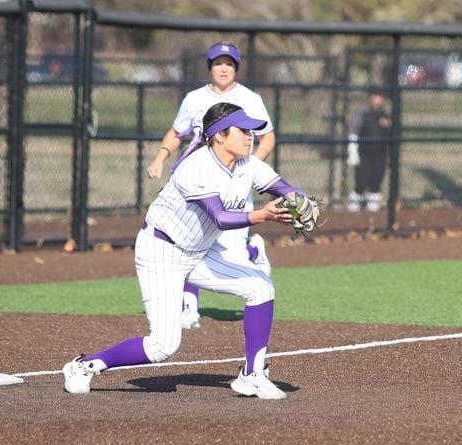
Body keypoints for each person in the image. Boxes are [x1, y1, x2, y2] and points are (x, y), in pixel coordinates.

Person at [63, 102, 312, 400]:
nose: (250, 136)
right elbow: (219, 217)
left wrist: (300, 199)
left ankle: (252, 375)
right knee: (162, 346)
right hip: (161, 250)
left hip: (199, 251)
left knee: (260, 287)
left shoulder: (247, 165)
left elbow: (285, 189)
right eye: (243, 130)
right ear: (219, 135)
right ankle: (85, 366)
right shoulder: (197, 167)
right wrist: (262, 215)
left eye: (251, 131)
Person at [147, 42, 276, 329]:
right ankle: (189, 308)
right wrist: (159, 158)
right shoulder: (194, 98)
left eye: (229, 63)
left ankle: (252, 250)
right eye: (218, 63)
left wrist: (250, 166)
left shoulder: (250, 98)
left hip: (233, 186)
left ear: (236, 68)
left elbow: (268, 137)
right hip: (199, 186)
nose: (223, 68)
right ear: (210, 67)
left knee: (232, 255)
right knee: (188, 242)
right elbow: (177, 132)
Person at [346, 92, 392, 212]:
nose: (377, 99)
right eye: (375, 96)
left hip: (381, 153)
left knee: (376, 180)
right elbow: (353, 131)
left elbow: (391, 133)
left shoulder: (386, 114)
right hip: (364, 152)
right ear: (370, 98)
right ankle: (354, 203)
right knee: (361, 179)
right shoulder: (363, 113)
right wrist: (353, 151)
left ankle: (373, 209)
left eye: (380, 97)